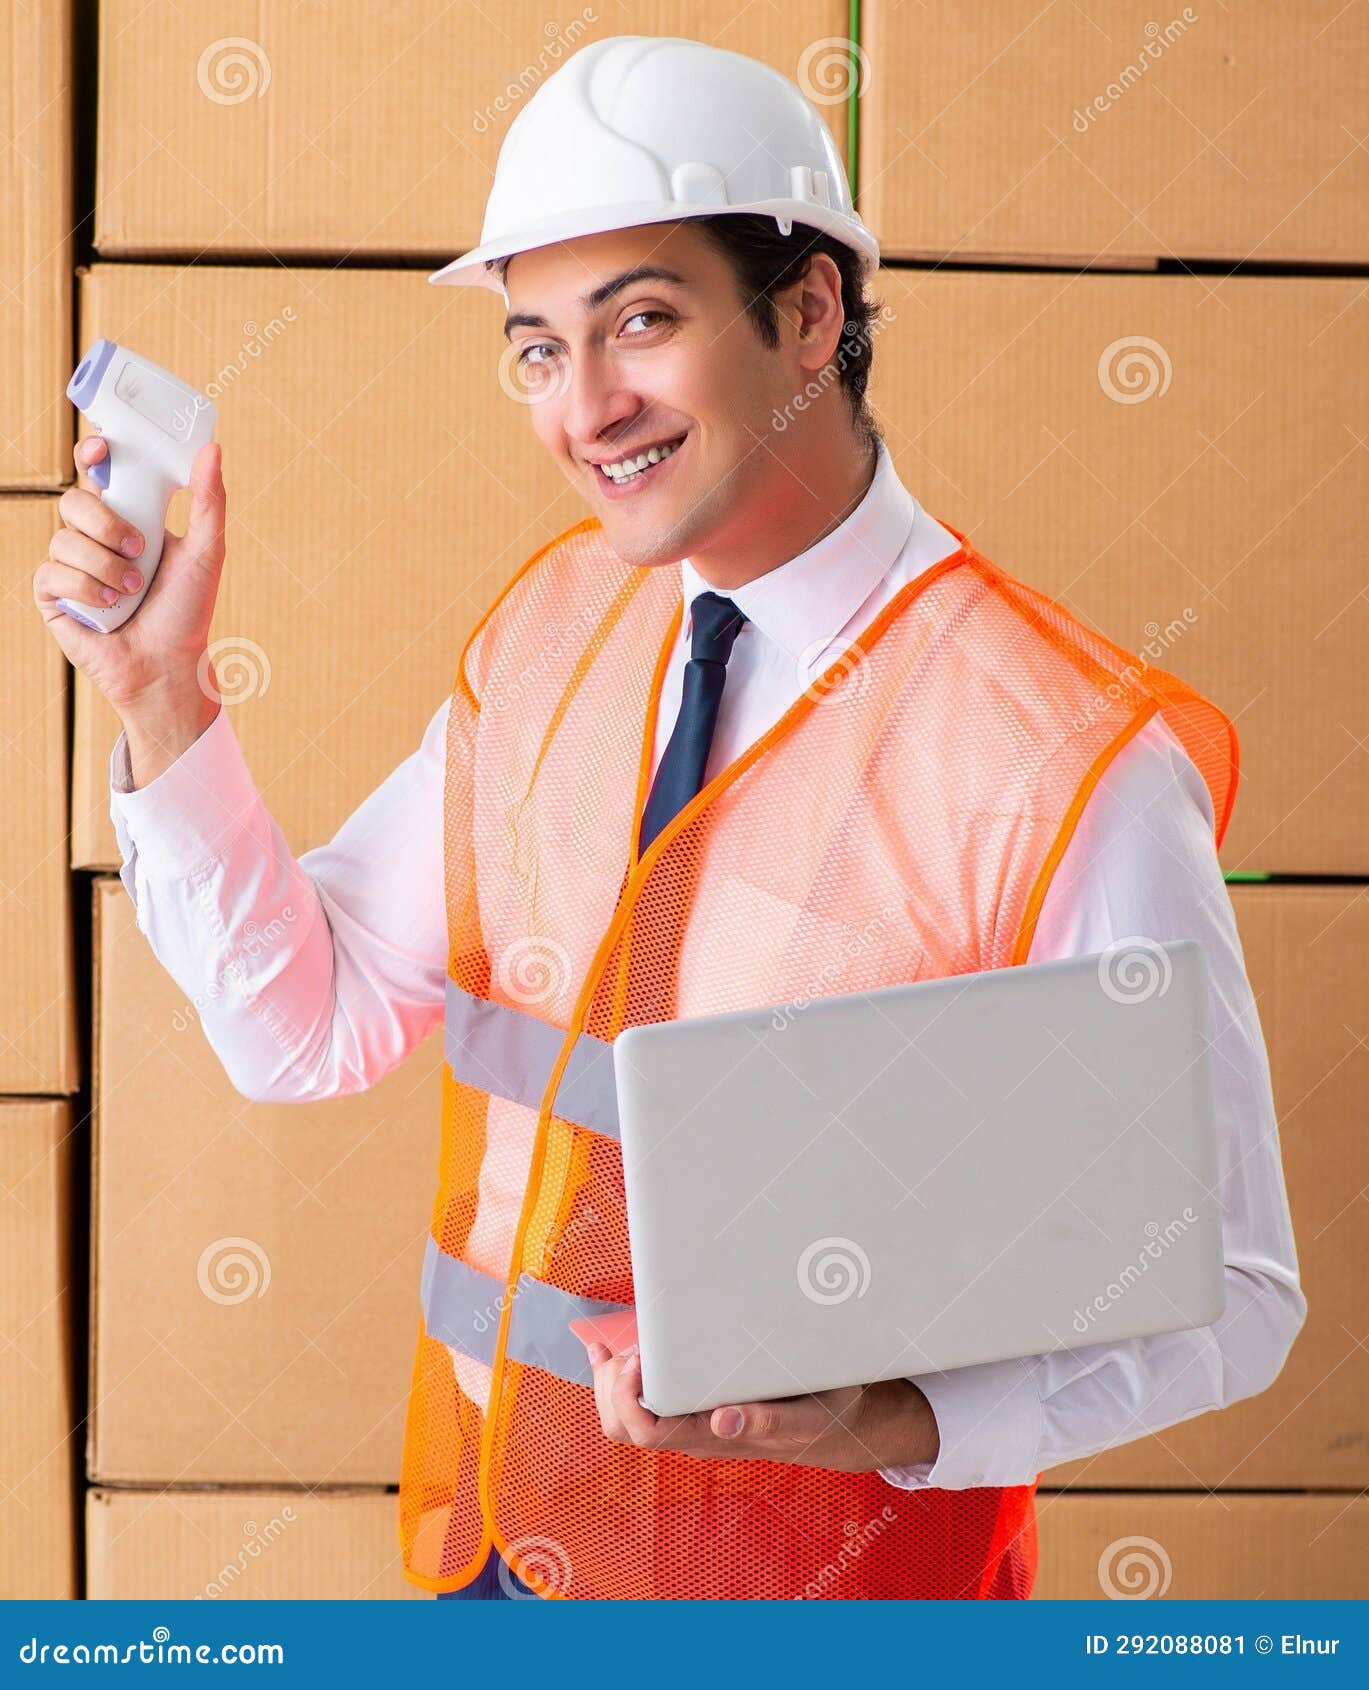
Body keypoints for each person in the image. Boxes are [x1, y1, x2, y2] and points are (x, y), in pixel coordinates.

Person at [34, 34, 1305, 1601]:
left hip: (834, 1608)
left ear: (810, 312)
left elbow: (1233, 1287)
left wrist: (890, 1417)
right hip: (501, 1571)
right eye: (534, 347)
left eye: (641, 320)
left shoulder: (1059, 758)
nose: (586, 408)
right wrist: (159, 693)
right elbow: (303, 1028)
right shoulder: (550, 636)